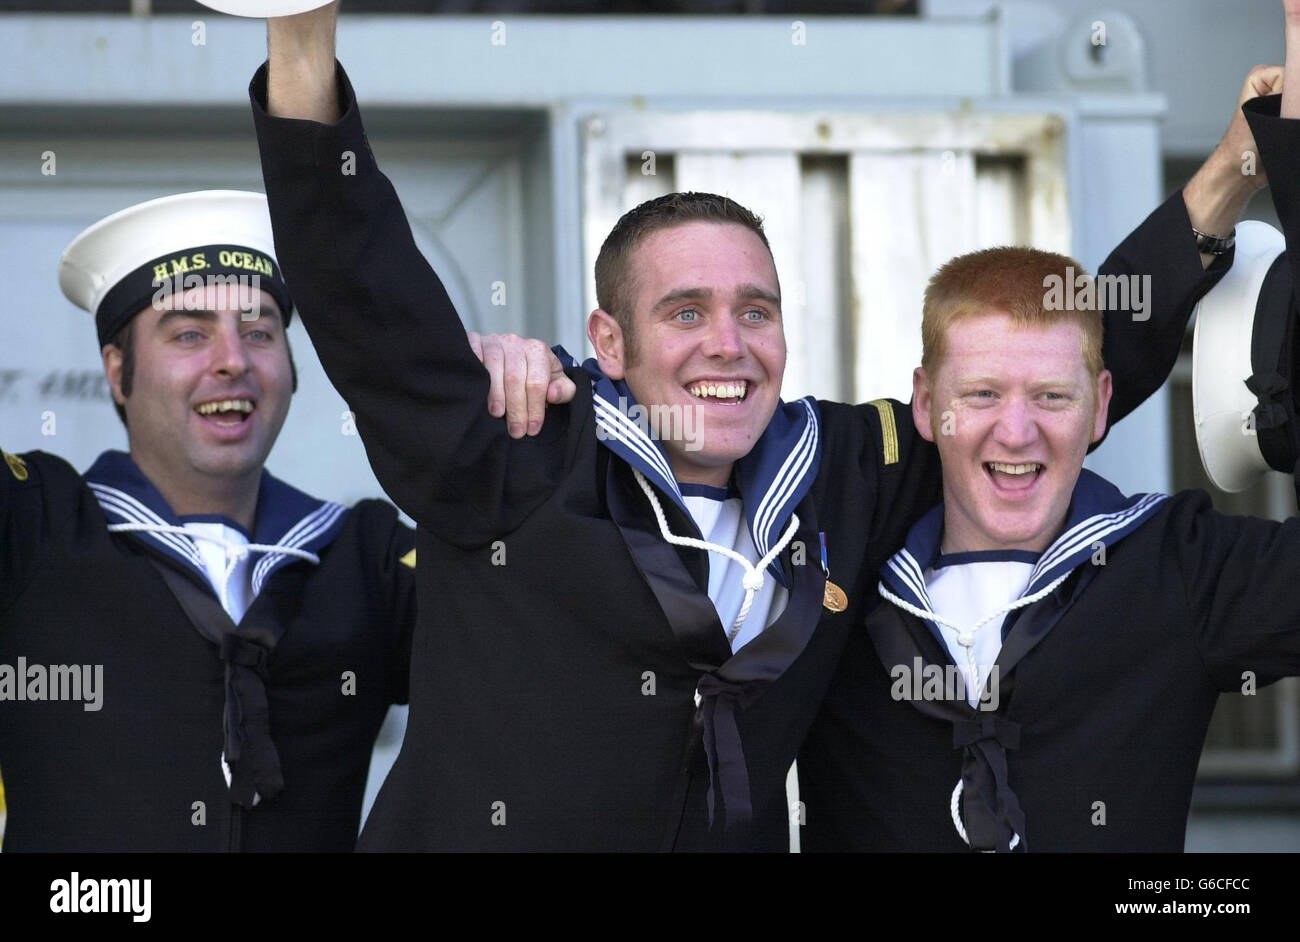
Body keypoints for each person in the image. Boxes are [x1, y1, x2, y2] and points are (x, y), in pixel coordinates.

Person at [249, 2, 1240, 851]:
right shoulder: (515, 445)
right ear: (611, 338)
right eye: (685, 313)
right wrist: (300, 39)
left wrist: (1230, 174)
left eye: (754, 311)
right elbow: (362, 286)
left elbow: (1048, 360)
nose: (727, 344)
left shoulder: (849, 469)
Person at [797, 11, 1300, 849]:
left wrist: (1265, 161)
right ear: (925, 405)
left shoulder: (1179, 566)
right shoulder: (831, 564)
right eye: (983, 393)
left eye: (1055, 400)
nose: (1018, 430)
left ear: (1103, 406)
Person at [0, 189, 563, 851]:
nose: (233, 360)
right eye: (188, 333)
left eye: (260, 332)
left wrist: (500, 413)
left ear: (293, 370)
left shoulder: (366, 557)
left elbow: (543, 640)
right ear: (117, 371)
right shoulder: (32, 520)